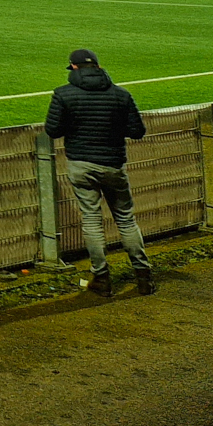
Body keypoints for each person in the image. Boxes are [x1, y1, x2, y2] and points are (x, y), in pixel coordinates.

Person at [45, 48, 154, 296]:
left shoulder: (63, 95)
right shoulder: (120, 95)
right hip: (113, 164)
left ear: (73, 68)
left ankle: (102, 278)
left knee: (92, 221)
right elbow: (137, 131)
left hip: (81, 164)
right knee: (126, 220)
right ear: (97, 66)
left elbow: (53, 130)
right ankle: (144, 277)